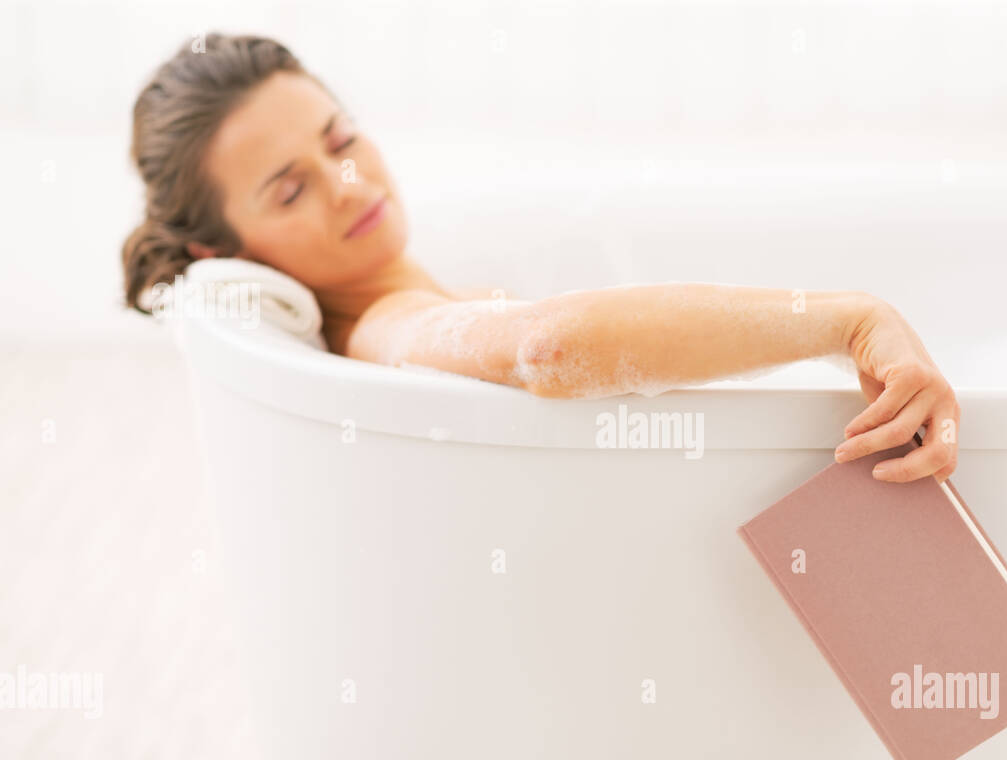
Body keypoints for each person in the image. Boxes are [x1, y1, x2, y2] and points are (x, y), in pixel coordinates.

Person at [122, 34, 959, 482]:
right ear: (218, 248)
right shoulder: (385, 326)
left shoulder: (412, 292)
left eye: (340, 138)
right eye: (290, 190)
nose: (345, 182)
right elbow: (546, 347)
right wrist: (850, 321)